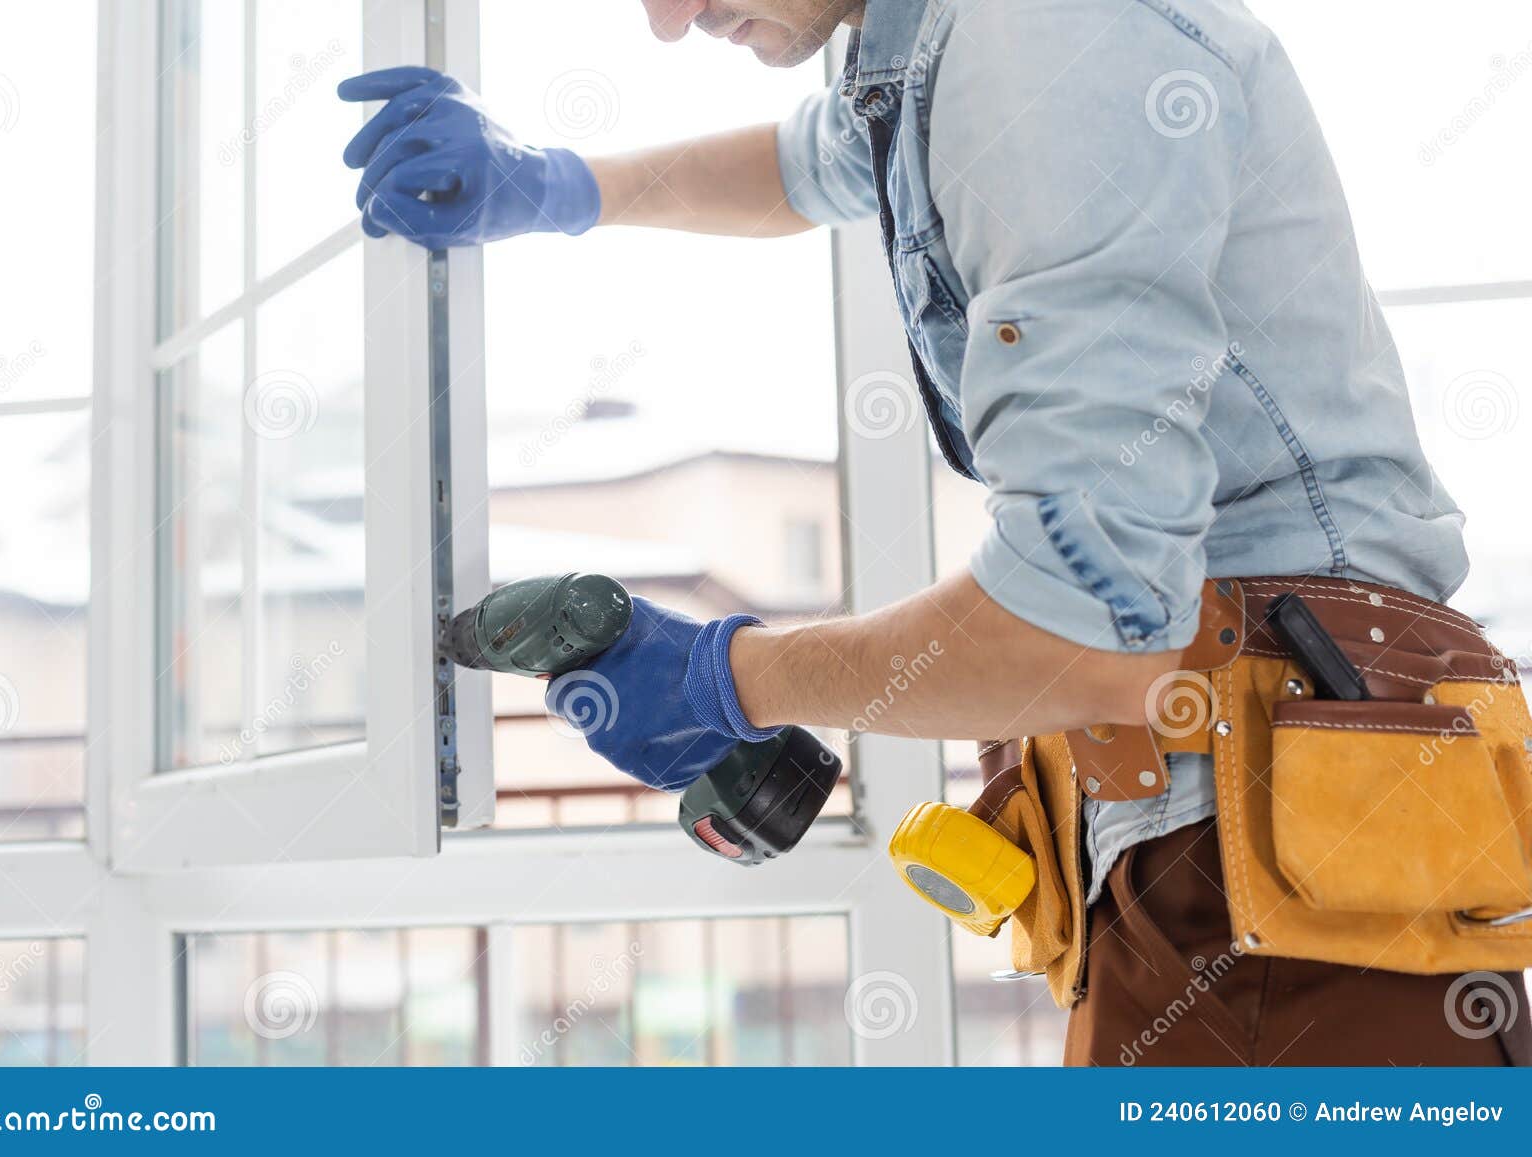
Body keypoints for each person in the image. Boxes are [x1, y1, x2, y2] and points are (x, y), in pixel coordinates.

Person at [338, 0, 1532, 1066]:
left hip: (1267, 849)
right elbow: (803, 166)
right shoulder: (935, 53)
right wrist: (553, 186)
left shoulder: (1051, 40)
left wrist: (726, 676)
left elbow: (1090, 629)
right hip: (1225, 851)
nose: (666, 18)